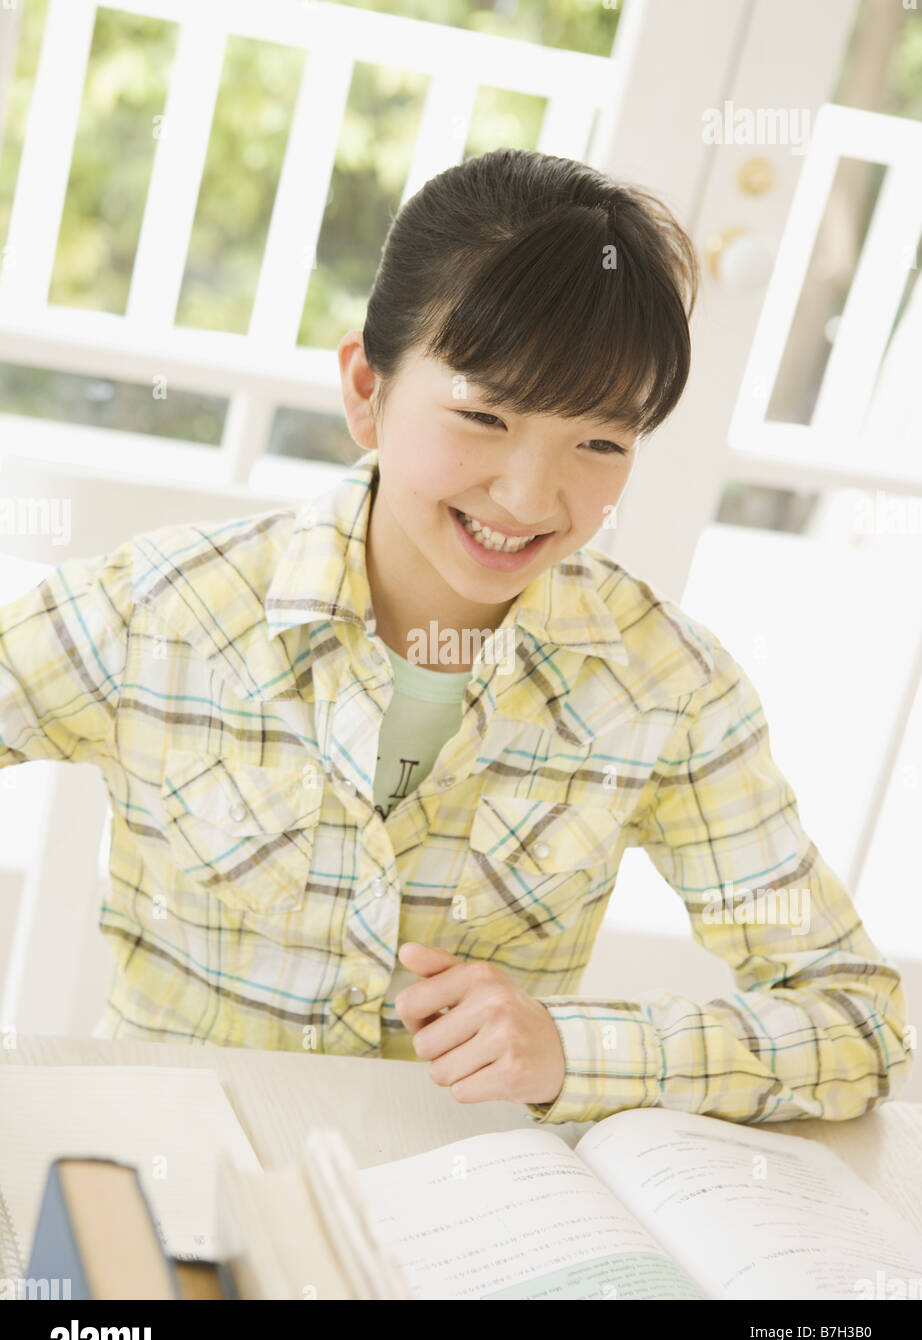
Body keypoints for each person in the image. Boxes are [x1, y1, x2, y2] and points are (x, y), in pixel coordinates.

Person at [0, 149, 909, 1126]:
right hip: (168, 1176)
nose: (528, 497)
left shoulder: (668, 687)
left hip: (454, 1212)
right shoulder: (163, 610)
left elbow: (855, 1017)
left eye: (599, 442)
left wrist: (578, 1050)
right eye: (483, 415)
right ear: (366, 389)